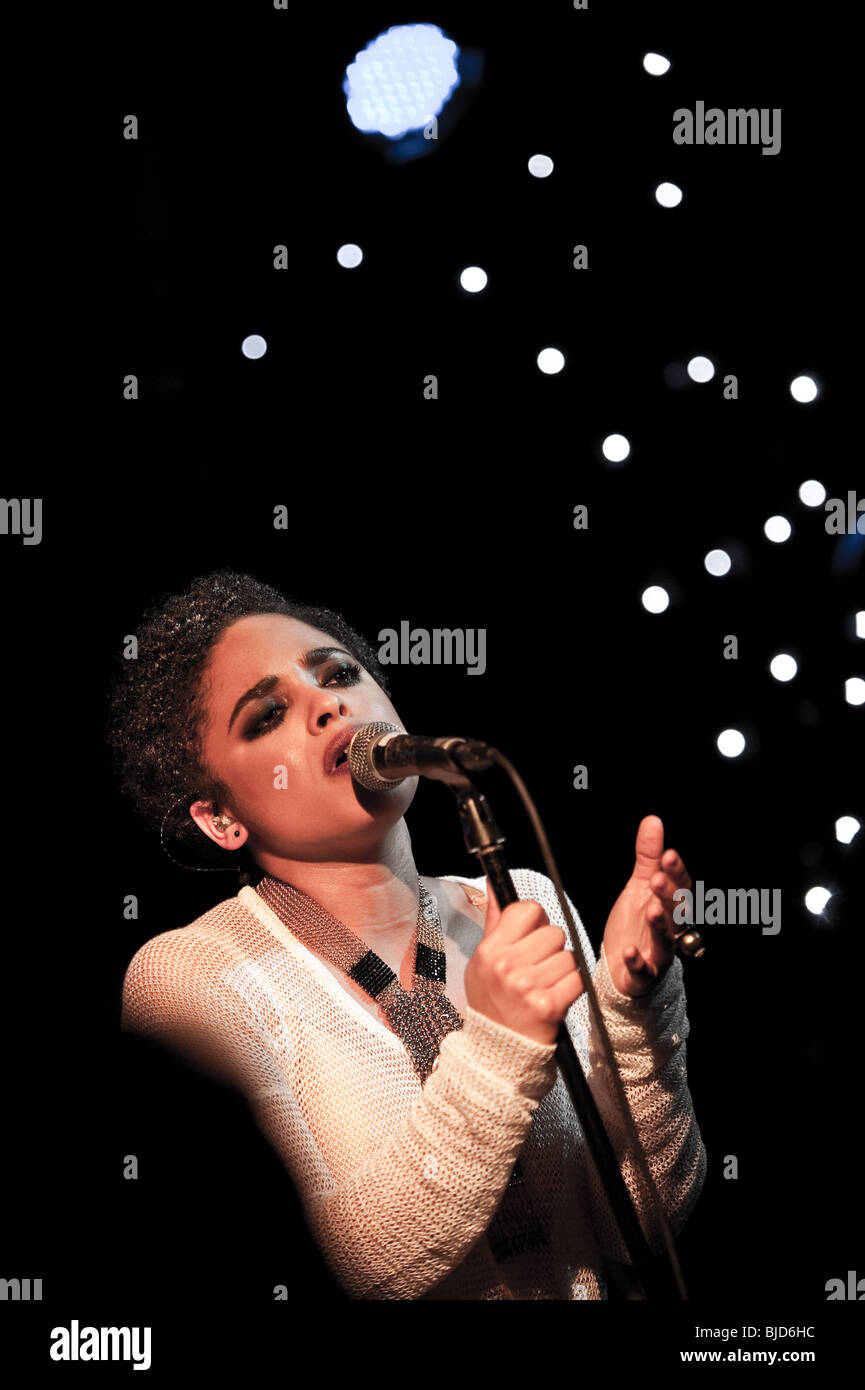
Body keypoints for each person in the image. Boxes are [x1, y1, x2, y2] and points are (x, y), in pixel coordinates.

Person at [108, 568, 706, 1300]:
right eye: (266, 716)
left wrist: (635, 1007)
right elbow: (351, 1268)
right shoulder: (195, 978)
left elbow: (641, 1226)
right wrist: (497, 1043)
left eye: (340, 674)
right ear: (220, 819)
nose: (329, 704)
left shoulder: (522, 904)